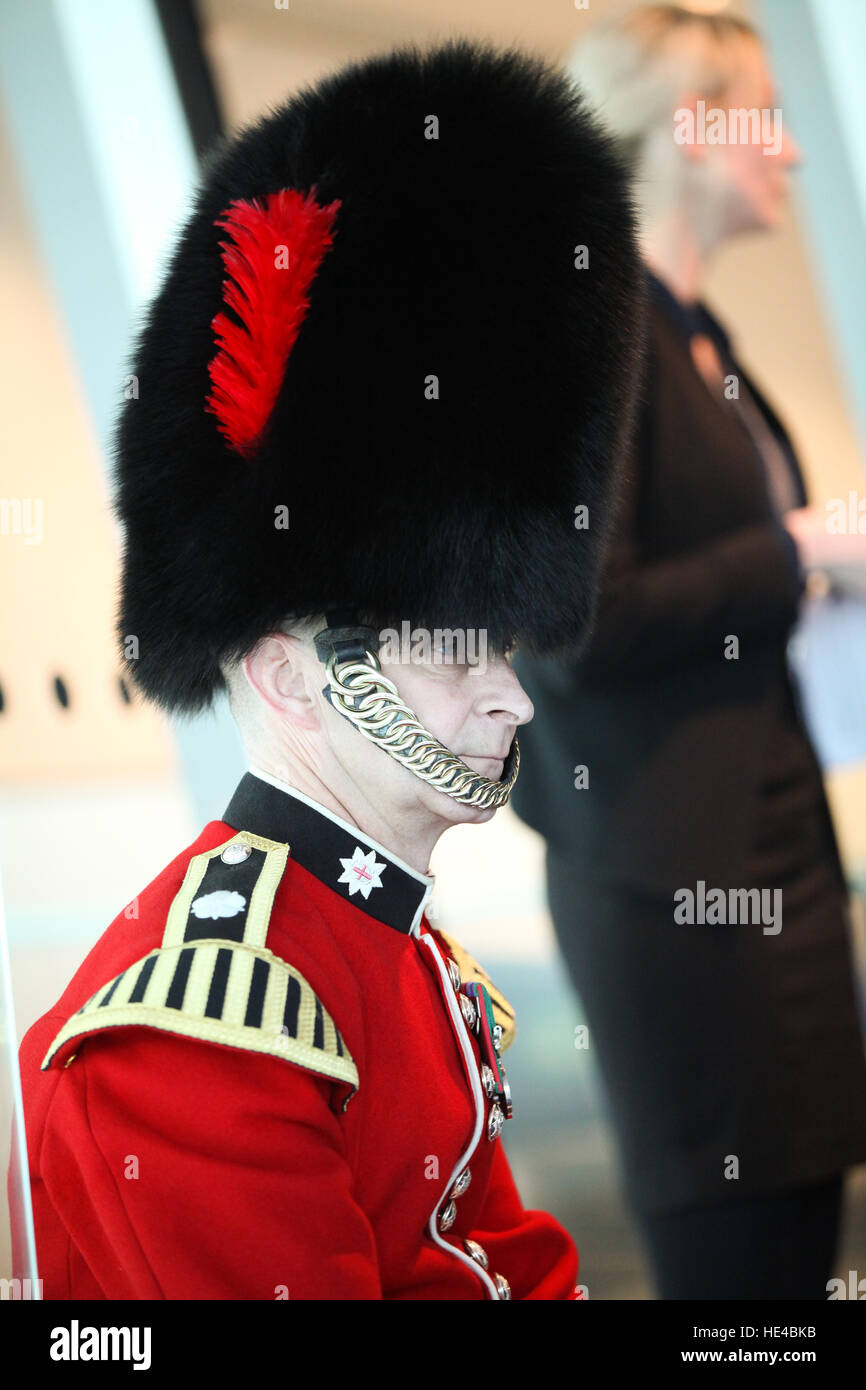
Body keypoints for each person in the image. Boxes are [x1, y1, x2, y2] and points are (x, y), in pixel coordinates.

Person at [13, 40, 643, 1300]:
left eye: (501, 647)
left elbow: (496, 1263)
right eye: (457, 652)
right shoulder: (205, 1021)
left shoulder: (383, 935)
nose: (512, 694)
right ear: (294, 679)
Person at [511, 4, 866, 1300]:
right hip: (677, 895)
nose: (788, 146)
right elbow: (573, 622)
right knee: (738, 1275)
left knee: (794, 1243)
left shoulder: (691, 330)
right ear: (688, 132)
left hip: (771, 864)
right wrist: (797, 546)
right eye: (760, 114)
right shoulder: (591, 329)